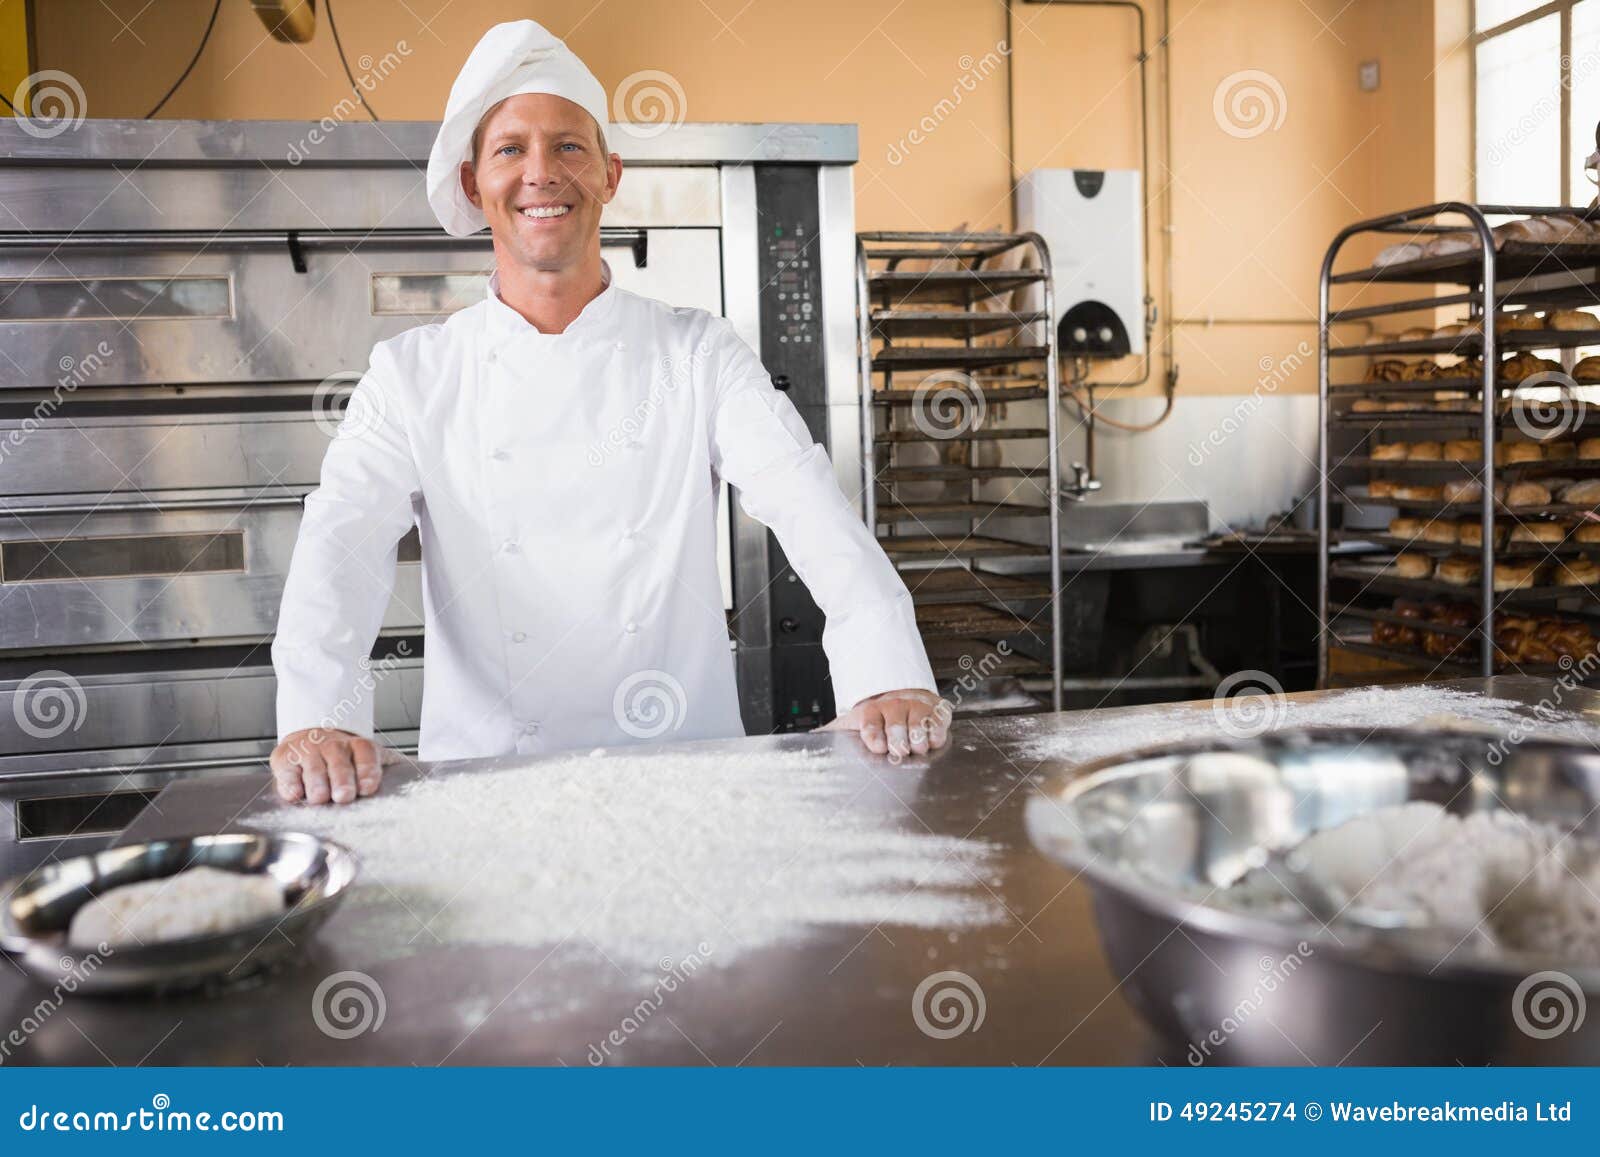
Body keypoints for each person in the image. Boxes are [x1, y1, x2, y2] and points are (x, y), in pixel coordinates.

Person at [268, 20, 948, 806]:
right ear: (472, 184)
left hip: (685, 786)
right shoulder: (412, 375)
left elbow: (809, 503)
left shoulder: (697, 353)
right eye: (510, 149)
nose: (541, 173)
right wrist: (317, 716)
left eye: (568, 147)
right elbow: (340, 543)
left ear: (610, 173)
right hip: (485, 795)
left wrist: (886, 673)